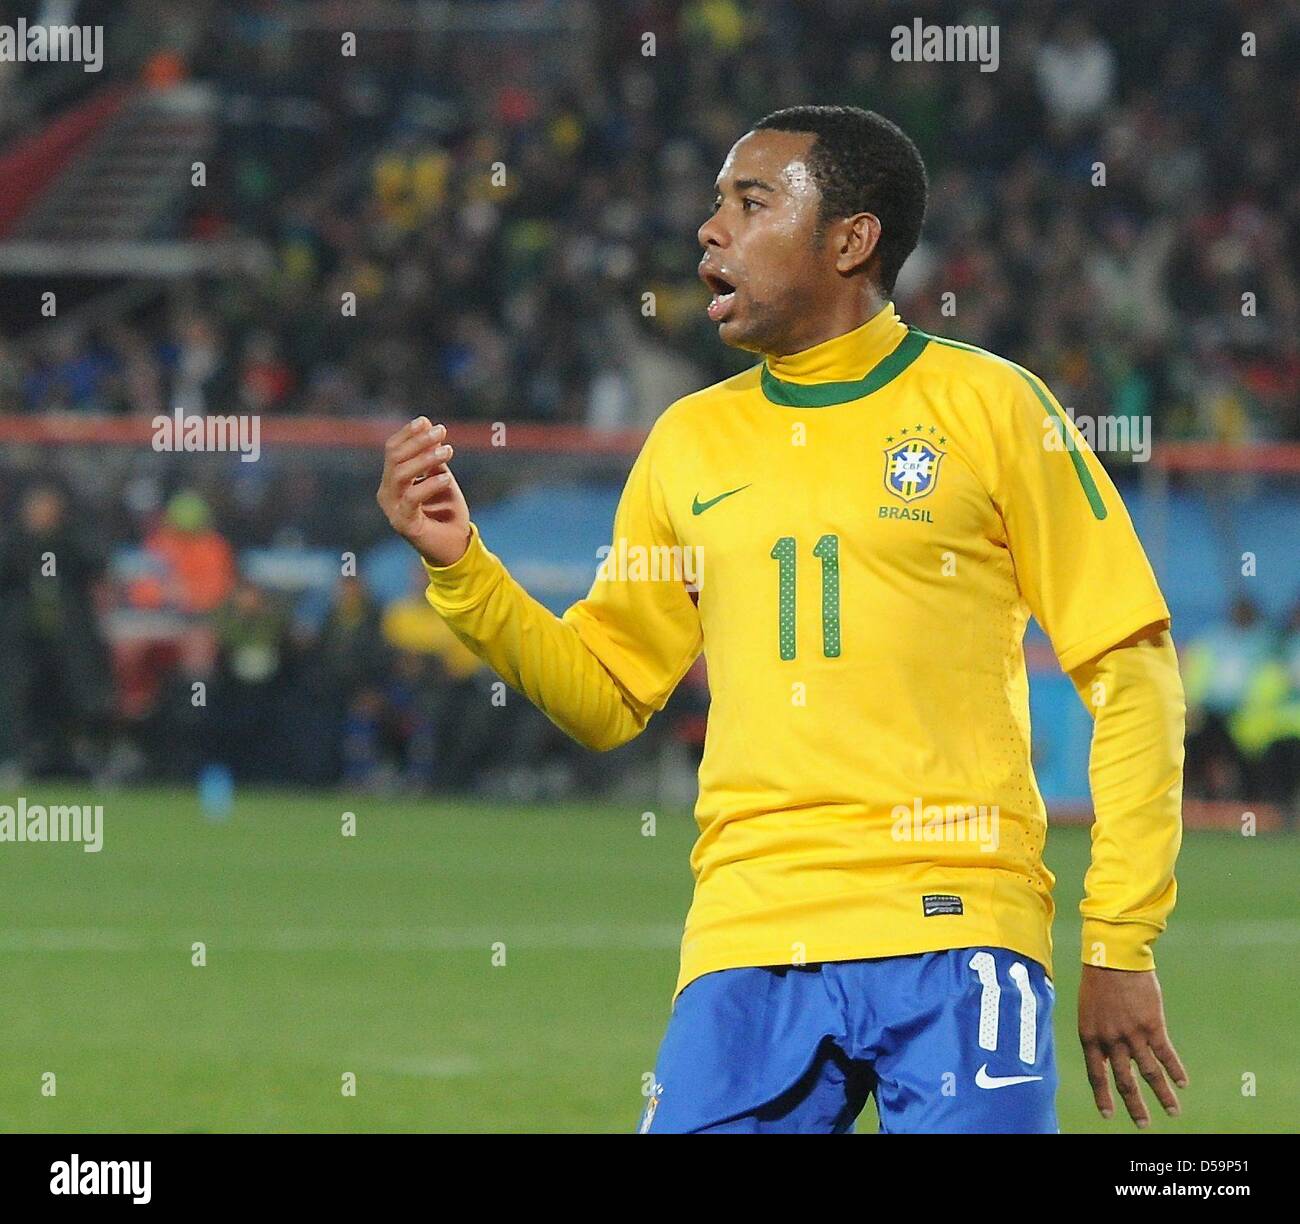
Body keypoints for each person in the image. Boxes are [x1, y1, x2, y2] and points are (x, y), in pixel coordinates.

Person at [377, 106, 1187, 1134]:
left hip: (954, 923)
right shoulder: (687, 444)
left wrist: (1118, 935)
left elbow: (1134, 674)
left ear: (850, 240)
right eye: (715, 202)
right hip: (748, 934)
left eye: (749, 203)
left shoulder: (993, 408)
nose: (708, 231)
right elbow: (609, 692)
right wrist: (466, 573)